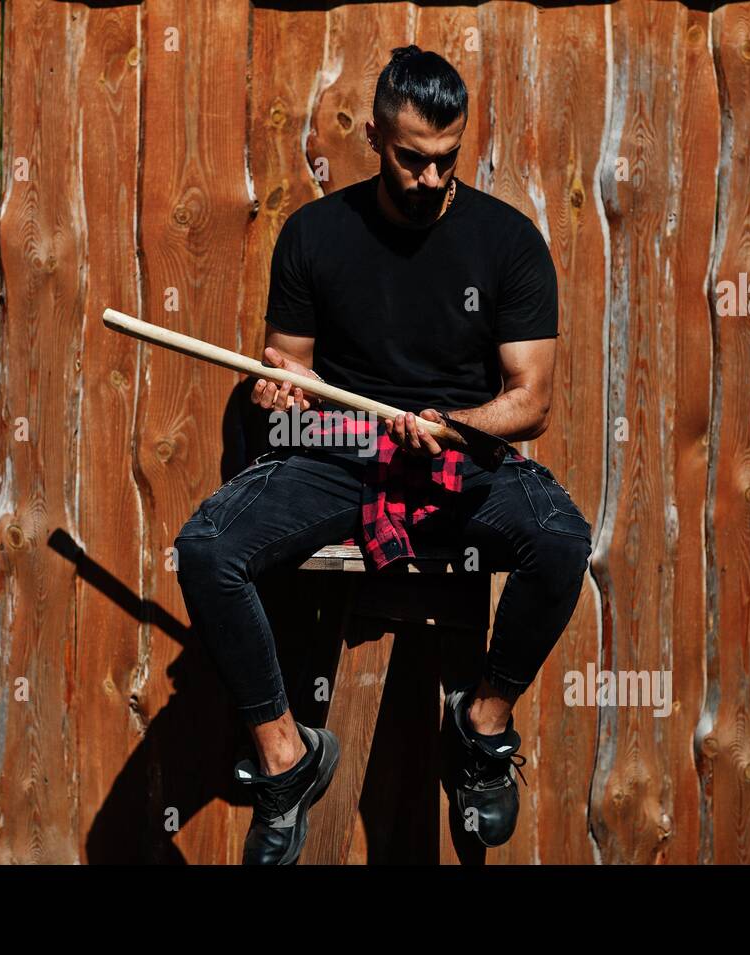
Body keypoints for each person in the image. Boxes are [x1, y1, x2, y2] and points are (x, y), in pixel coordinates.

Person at [173, 44, 592, 865]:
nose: (432, 179)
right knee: (207, 548)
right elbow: (286, 364)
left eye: (447, 160)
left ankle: (482, 726)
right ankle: (287, 758)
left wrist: (451, 422)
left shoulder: (508, 244)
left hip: (459, 458)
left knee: (562, 538)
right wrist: (283, 390)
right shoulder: (316, 235)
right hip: (336, 451)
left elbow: (530, 401)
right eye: (411, 159)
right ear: (373, 135)